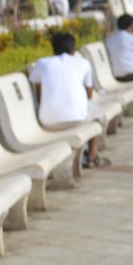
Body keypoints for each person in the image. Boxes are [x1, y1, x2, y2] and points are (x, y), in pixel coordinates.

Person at [29, 32, 106, 168]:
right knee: (95, 109)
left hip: (48, 121)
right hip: (77, 120)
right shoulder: (83, 63)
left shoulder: (42, 63)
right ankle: (92, 156)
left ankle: (89, 154)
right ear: (73, 50)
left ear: (53, 49)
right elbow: (89, 94)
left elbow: (39, 91)